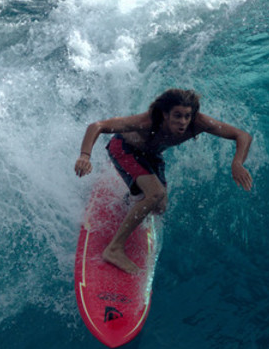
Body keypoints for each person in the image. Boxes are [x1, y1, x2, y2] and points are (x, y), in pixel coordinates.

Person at [74, 88, 253, 275]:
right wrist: (85, 156)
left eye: (187, 116)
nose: (183, 122)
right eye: (177, 116)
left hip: (151, 155)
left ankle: (132, 200)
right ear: (165, 114)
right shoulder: (148, 121)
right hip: (124, 149)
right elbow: (97, 126)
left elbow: (243, 136)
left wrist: (237, 163)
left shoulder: (199, 123)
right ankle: (114, 249)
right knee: (155, 193)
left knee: (159, 207)